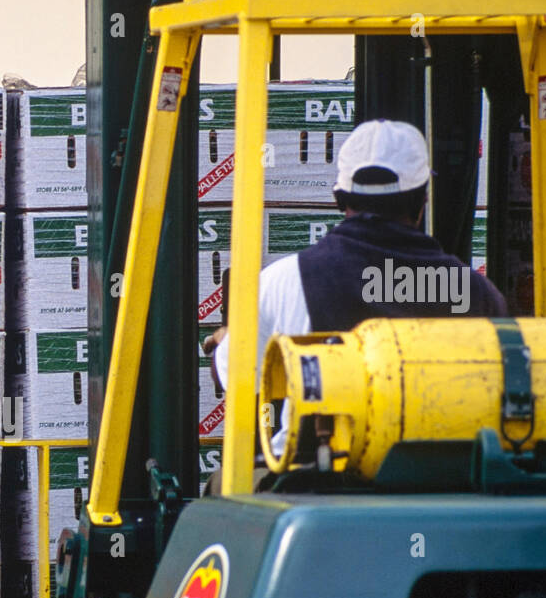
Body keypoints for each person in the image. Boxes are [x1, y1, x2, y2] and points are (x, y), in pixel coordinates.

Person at [205, 119, 508, 490]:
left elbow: (235, 379)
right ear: (423, 198)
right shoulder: (475, 292)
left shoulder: (285, 281)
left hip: (317, 492)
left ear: (339, 198)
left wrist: (225, 341)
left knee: (224, 485)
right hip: (446, 490)